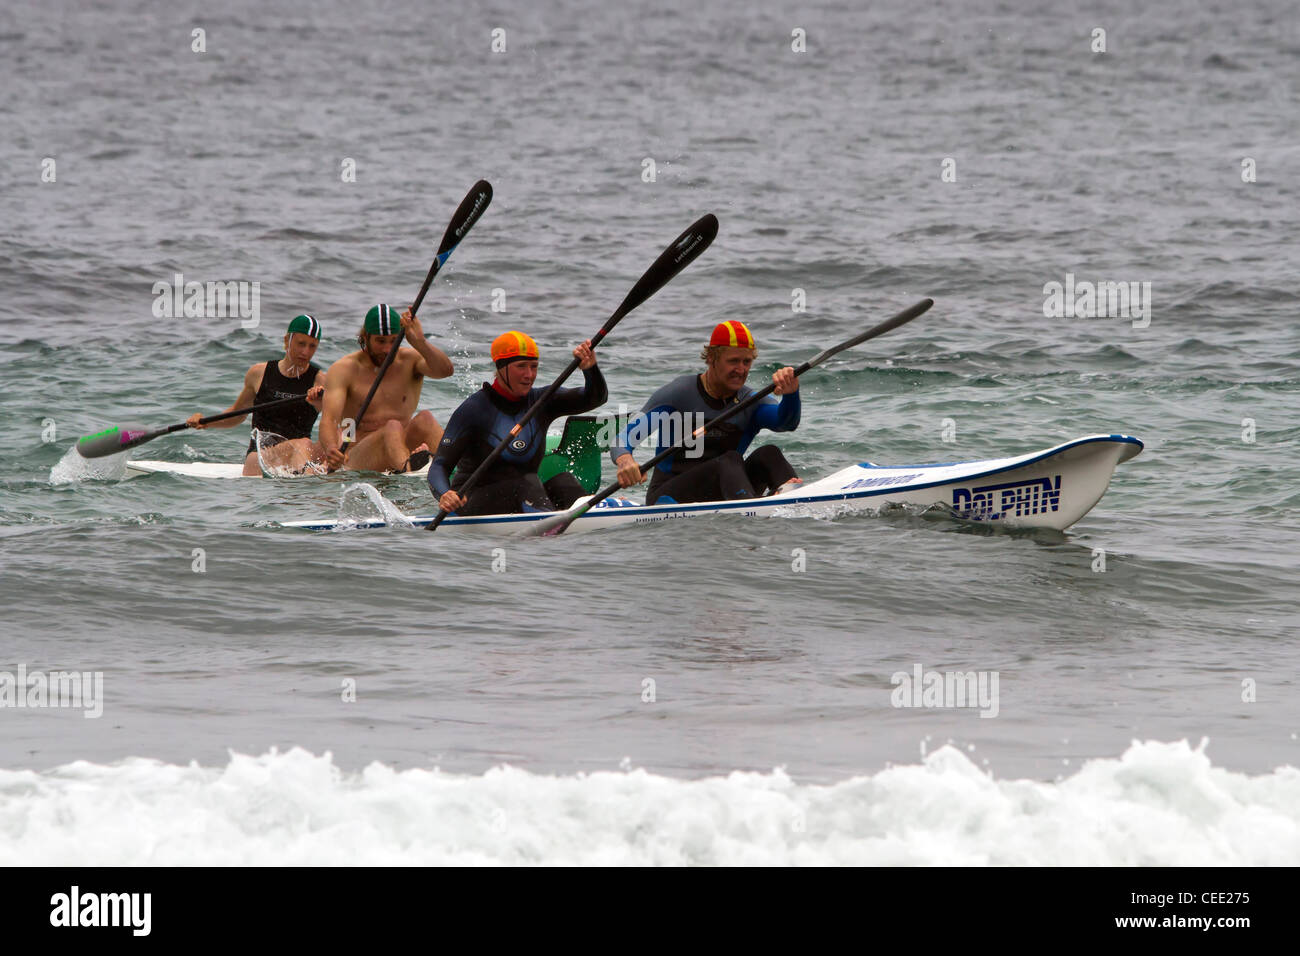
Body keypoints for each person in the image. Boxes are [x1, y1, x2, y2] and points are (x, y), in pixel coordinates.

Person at [611, 320, 803, 504]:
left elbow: (786, 423)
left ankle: (793, 499)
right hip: (668, 496)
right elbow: (624, 439)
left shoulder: (750, 401)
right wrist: (625, 460)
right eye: (734, 361)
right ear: (711, 357)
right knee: (730, 459)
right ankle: (749, 506)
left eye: (747, 361)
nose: (741, 369)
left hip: (729, 490)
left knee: (768, 453)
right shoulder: (678, 394)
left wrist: (791, 394)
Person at [430, 331, 607, 515]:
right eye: (521, 366)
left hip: (524, 495)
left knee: (563, 481)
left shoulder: (542, 401)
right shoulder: (474, 409)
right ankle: (548, 530)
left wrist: (590, 368)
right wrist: (445, 494)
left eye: (534, 366)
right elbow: (439, 465)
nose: (529, 374)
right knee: (525, 482)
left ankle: (596, 513)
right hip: (473, 503)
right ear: (501, 367)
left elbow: (595, 398)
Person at [319, 303, 454, 472]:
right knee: (392, 427)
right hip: (359, 456)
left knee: (425, 419)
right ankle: (409, 472)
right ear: (365, 337)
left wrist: (420, 342)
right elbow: (329, 420)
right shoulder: (344, 370)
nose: (388, 349)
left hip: (401, 448)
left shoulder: (409, 360)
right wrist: (332, 449)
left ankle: (454, 473)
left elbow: (445, 371)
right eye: (380, 341)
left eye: (393, 340)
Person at [187, 314, 326, 476]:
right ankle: (306, 484)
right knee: (304, 444)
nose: (305, 352)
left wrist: (320, 403)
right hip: (259, 458)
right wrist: (205, 422)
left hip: (300, 455)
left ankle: (307, 477)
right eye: (301, 344)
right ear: (287, 340)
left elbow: (336, 421)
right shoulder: (259, 373)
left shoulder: (321, 382)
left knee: (324, 445)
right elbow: (237, 414)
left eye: (312, 346)